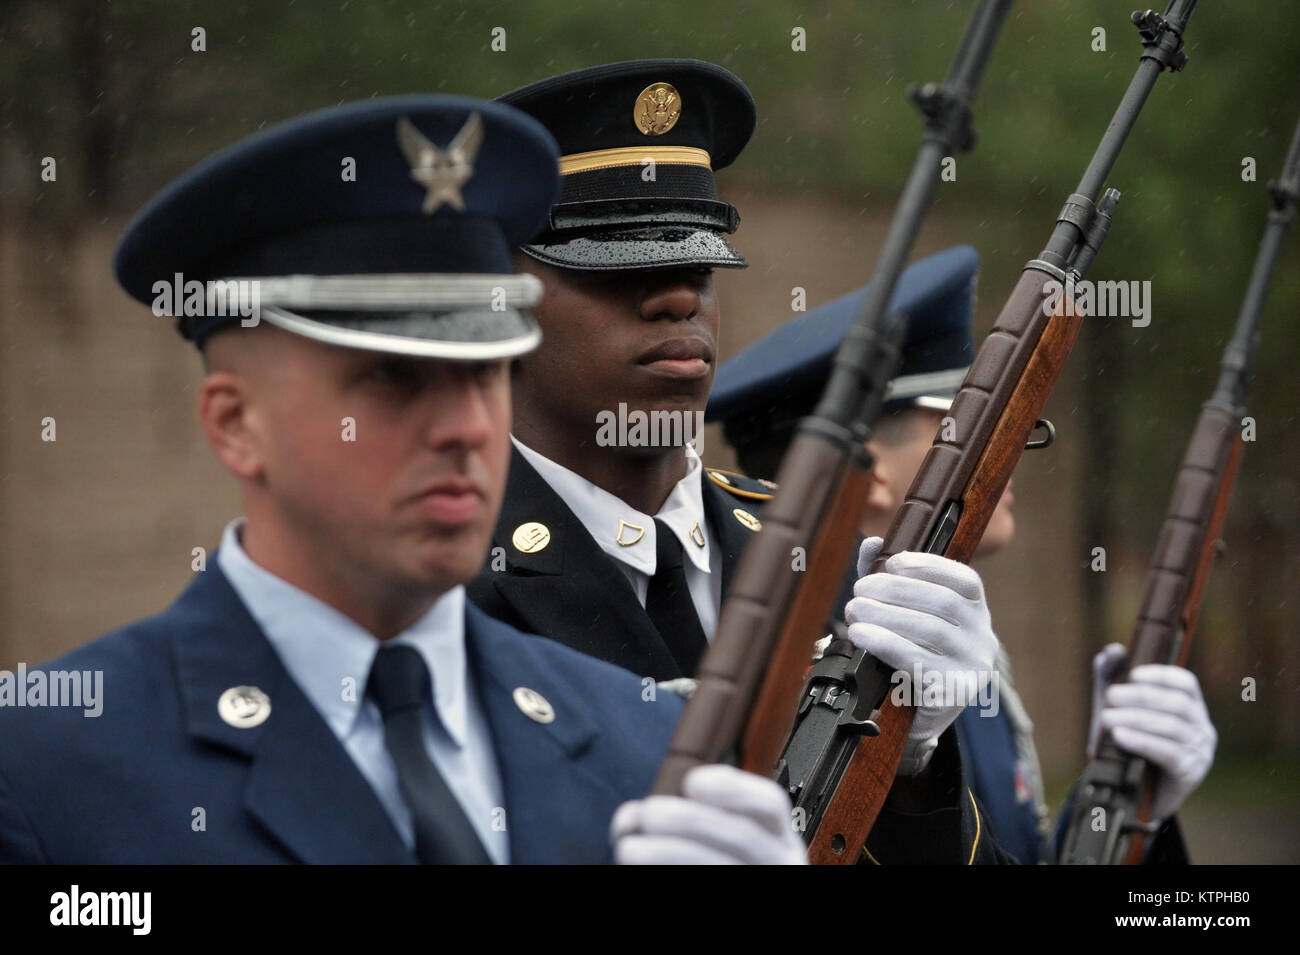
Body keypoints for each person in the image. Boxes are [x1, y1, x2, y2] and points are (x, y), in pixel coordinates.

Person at [0, 94, 808, 866]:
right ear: (234, 423)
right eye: (394, 377)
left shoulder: (636, 738)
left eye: (486, 369)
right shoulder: (51, 770)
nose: (465, 427)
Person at [469, 60, 1013, 863]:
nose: (679, 298)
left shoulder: (827, 567)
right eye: (616, 266)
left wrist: (912, 767)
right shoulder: (445, 590)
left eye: (697, 264)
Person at [711, 246, 1218, 863]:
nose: (1008, 457)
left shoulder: (963, 648)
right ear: (866, 469)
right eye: (974, 430)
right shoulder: (791, 656)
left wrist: (1128, 807)